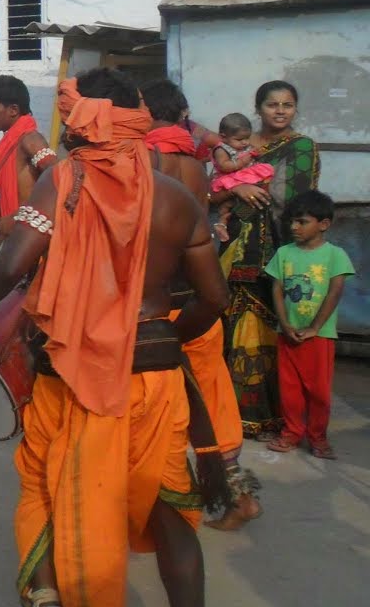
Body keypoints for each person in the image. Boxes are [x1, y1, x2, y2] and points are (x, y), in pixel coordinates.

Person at [0, 69, 230, 607]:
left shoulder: (63, 181)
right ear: (136, 120)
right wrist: (161, 339)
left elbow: (9, 267)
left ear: (82, 119)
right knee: (170, 511)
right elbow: (212, 301)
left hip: (72, 382)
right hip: (155, 381)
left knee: (43, 489)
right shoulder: (177, 199)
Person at [141, 81, 259, 530]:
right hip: (198, 298)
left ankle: (171, 514)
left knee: (163, 413)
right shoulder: (194, 162)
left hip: (161, 307)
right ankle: (237, 496)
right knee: (211, 399)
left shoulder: (148, 162)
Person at [217, 80, 320, 439]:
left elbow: (297, 202)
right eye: (272, 104)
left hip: (277, 250)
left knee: (272, 329)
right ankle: (227, 410)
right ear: (258, 107)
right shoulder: (235, 148)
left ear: (295, 109)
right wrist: (236, 187)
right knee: (227, 325)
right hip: (231, 249)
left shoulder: (301, 147)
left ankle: (273, 415)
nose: (280, 110)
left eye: (287, 105)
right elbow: (207, 189)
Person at [265, 189, 354, 459]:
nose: (294, 227)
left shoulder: (334, 255)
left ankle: (318, 438)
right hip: (288, 333)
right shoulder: (284, 253)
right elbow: (277, 289)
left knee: (319, 392)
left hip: (320, 336)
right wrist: (285, 323)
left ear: (323, 224)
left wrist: (315, 326)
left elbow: (335, 291)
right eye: (292, 221)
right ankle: (292, 433)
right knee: (289, 389)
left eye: (302, 221)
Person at [0, 75, 56, 245]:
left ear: (13, 110)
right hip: (15, 234)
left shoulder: (30, 139)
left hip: (27, 237)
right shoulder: (12, 140)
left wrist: (16, 217)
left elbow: (59, 178)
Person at [208, 113, 272, 241]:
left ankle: (239, 220)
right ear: (223, 137)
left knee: (246, 199)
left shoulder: (244, 145)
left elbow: (251, 153)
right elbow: (224, 166)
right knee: (226, 204)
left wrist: (255, 153)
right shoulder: (221, 149)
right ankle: (222, 223)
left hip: (243, 177)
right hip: (229, 179)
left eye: (247, 138)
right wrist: (242, 162)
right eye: (239, 139)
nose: (244, 142)